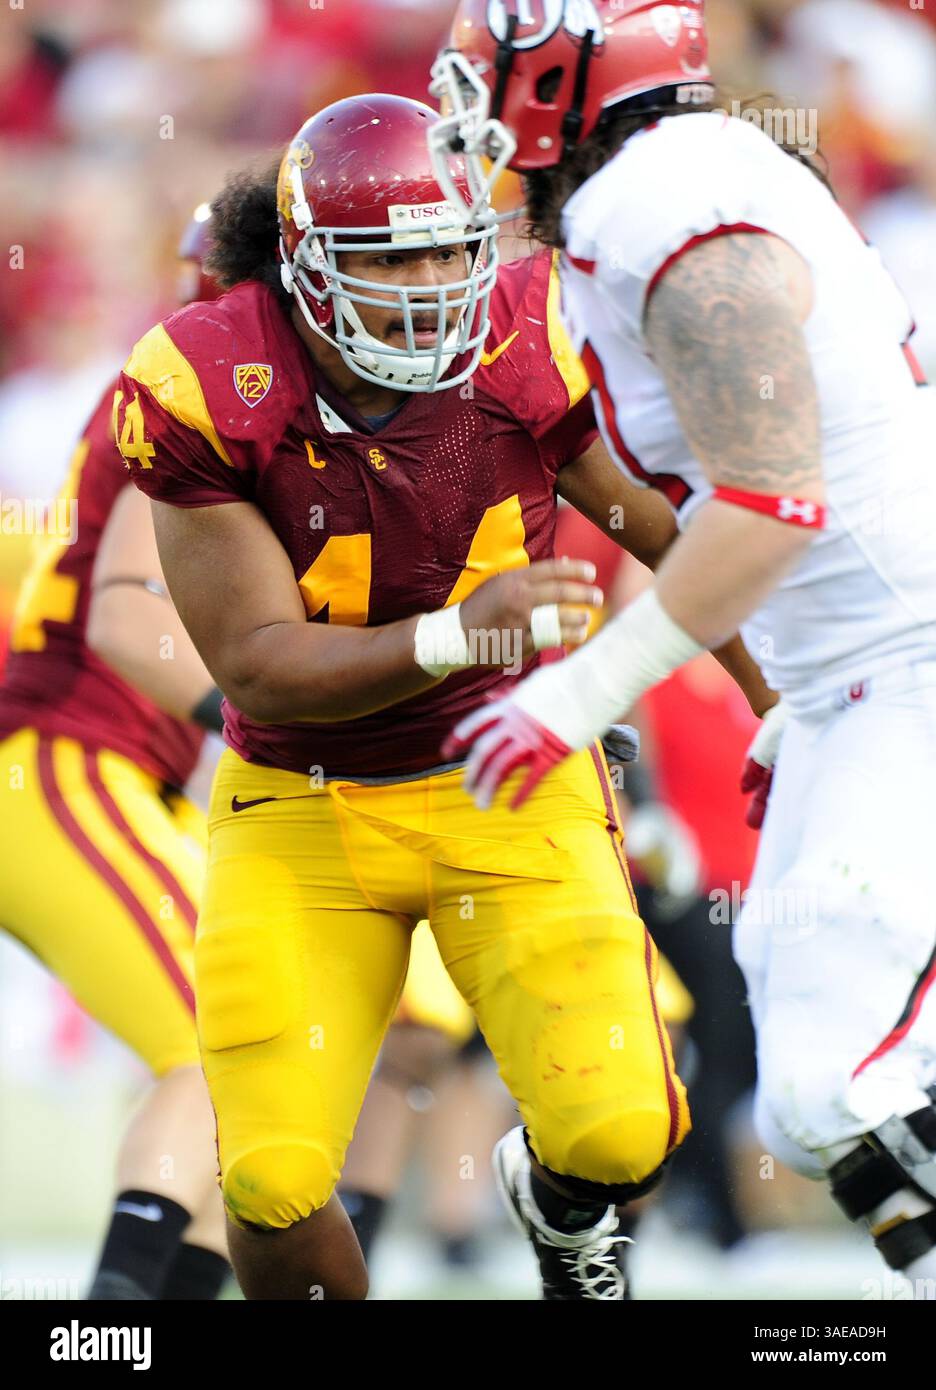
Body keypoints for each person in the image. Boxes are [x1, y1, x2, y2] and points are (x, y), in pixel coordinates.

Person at [116, 92, 714, 1302]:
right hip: (303, 802)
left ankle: (556, 1212)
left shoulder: (528, 331)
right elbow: (257, 663)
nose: (436, 279)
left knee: (619, 1135)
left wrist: (791, 697)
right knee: (272, 1186)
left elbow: (663, 530)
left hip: (509, 776)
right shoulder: (206, 377)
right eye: (394, 257)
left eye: (453, 245)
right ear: (308, 272)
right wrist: (452, 635)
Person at [432, 0, 936, 1293]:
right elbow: (720, 506)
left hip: (913, 660)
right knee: (803, 1111)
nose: (474, 113)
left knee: (847, 1081)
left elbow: (772, 501)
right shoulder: (673, 189)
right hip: (857, 674)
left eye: (494, 77)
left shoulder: (663, 206)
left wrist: (581, 688)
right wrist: (787, 691)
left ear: (562, 79)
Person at [0, 210, 230, 1301]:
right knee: (236, 1037)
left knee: (282, 1075)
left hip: (107, 772)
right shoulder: (196, 386)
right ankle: (110, 1329)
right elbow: (130, 627)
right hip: (63, 761)